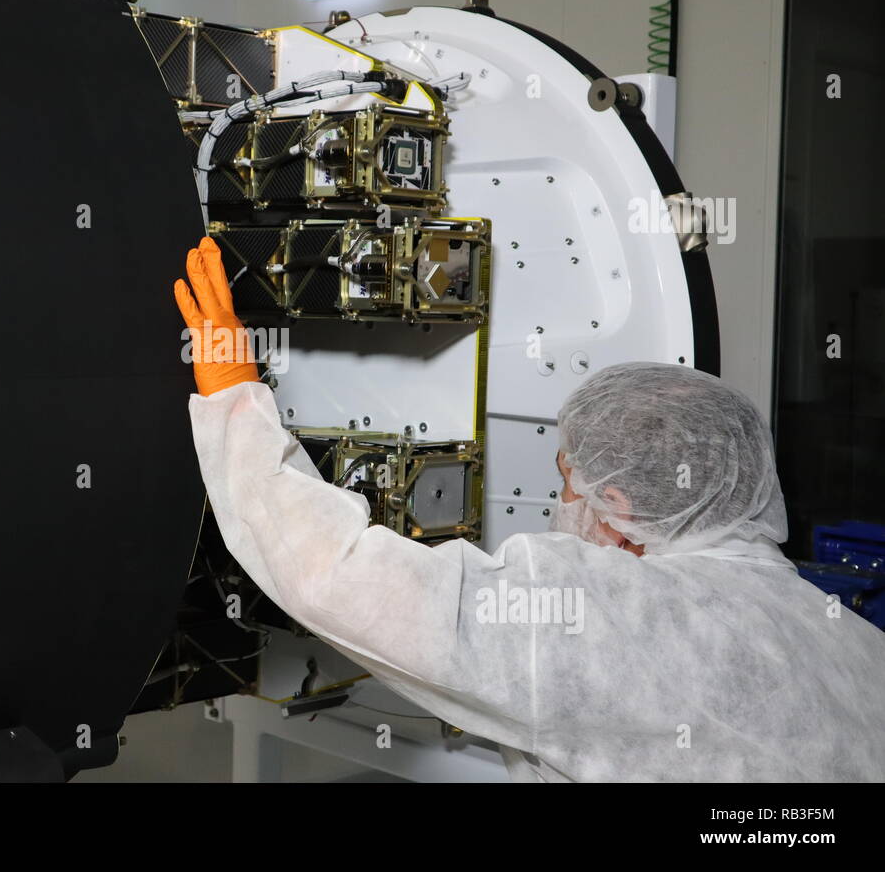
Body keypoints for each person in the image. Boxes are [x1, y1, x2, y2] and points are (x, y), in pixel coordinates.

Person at [174, 236, 885, 782]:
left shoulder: (615, 623)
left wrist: (235, 396)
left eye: (569, 481)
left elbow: (338, 577)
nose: (561, 504)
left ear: (619, 502)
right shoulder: (851, 643)